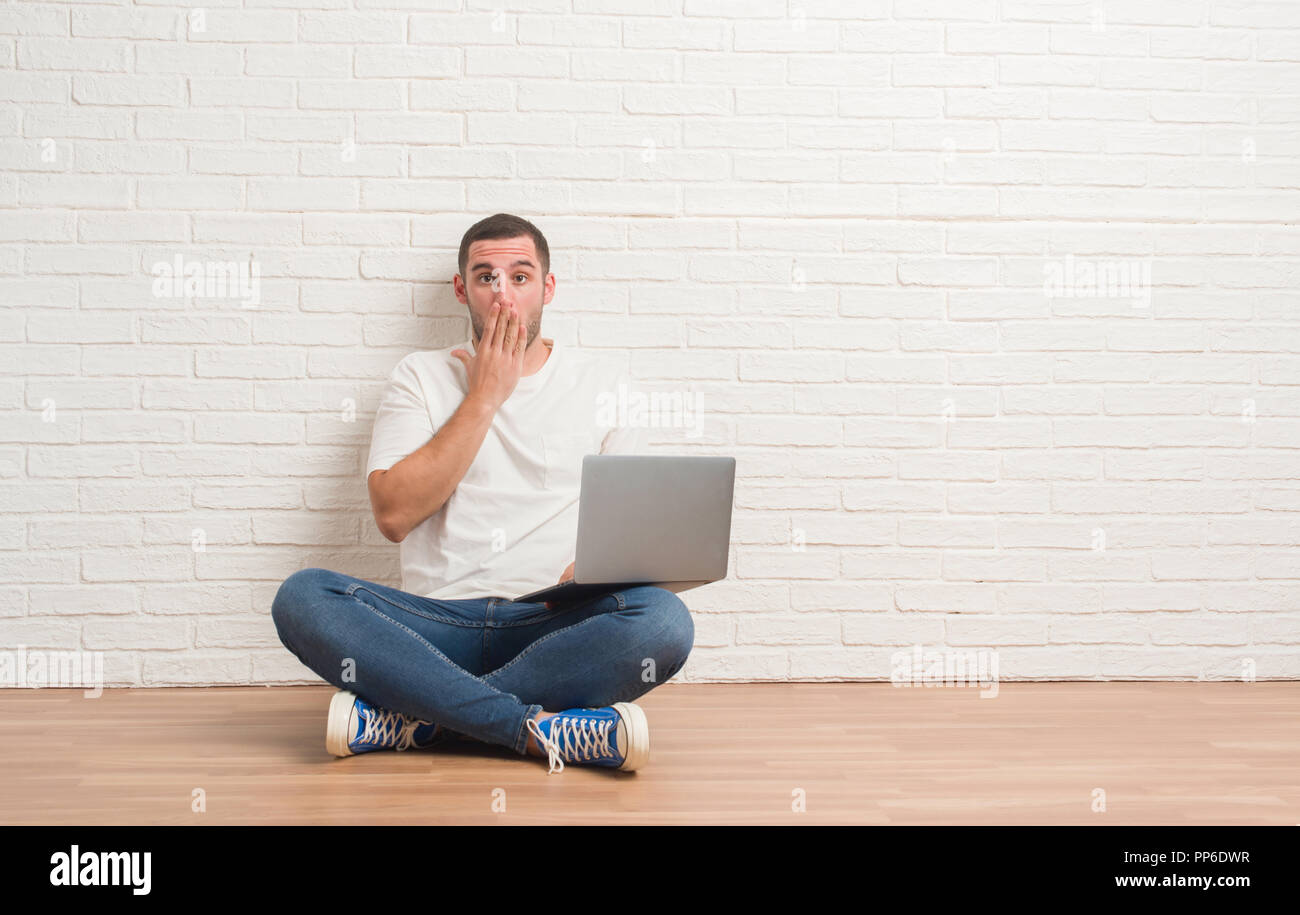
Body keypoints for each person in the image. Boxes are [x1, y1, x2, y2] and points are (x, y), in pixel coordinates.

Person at [271, 213, 695, 775]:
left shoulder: (605, 385)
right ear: (461, 288)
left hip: (548, 624)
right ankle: (533, 729)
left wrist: (590, 572)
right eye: (486, 276)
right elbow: (394, 515)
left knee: (664, 620)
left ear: (547, 286)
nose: (503, 294)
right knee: (303, 597)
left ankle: (416, 720)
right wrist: (486, 397)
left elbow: (632, 532)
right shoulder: (417, 377)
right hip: (432, 628)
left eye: (520, 276)